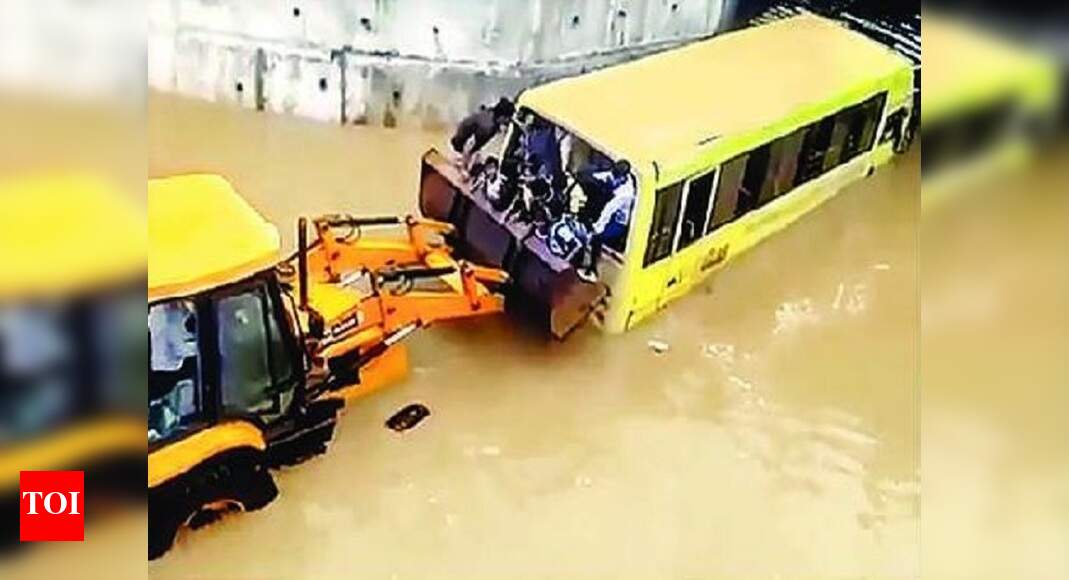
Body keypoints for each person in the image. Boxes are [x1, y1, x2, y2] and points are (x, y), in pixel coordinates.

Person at [578, 159, 635, 283]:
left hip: (617, 222)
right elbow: (605, 176)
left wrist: (597, 228)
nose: (613, 178)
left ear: (623, 177)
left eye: (616, 177)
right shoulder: (616, 175)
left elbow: (609, 210)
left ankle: (593, 270)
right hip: (609, 209)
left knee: (597, 238)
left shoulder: (625, 194)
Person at [450, 97, 515, 177]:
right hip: (459, 147)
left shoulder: (491, 112)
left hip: (461, 136)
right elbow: (469, 145)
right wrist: (464, 169)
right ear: (502, 116)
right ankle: (460, 163)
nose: (508, 121)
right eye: (508, 118)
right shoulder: (488, 127)